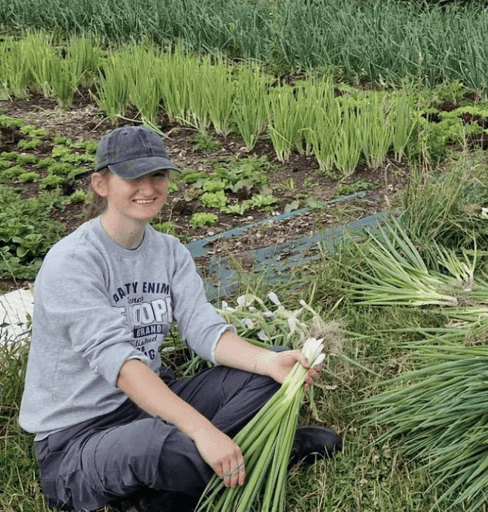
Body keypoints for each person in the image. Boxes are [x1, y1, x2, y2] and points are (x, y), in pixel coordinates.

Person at [18, 126, 340, 512]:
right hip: (78, 438)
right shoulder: (72, 262)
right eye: (133, 176)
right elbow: (120, 365)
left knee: (269, 377)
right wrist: (202, 430)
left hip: (151, 404)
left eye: (157, 175)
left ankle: (184, 478)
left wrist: (270, 361)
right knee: (155, 444)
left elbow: (203, 329)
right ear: (100, 183)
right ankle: (260, 457)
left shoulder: (169, 251)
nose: (148, 187)